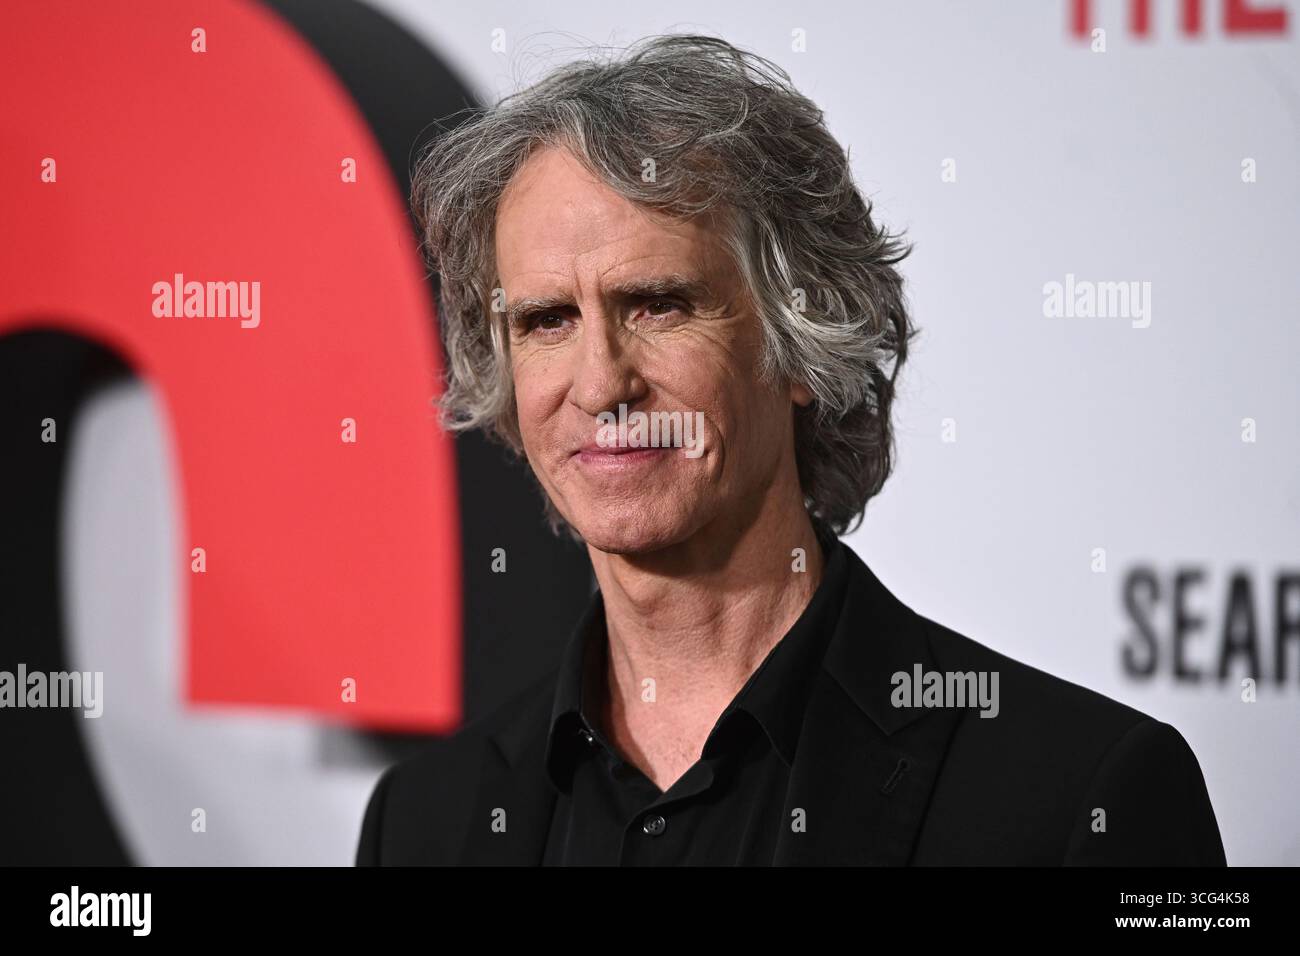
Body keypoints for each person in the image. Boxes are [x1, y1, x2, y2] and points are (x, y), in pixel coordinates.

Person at [356, 35, 1225, 866]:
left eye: (658, 304)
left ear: (801, 341)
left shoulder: (1081, 797)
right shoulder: (423, 822)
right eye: (548, 321)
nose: (600, 384)